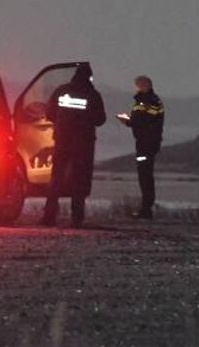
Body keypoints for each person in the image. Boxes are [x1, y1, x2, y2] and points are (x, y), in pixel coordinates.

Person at [40, 64, 106, 228]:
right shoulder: (93, 95)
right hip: (84, 144)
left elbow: (49, 113)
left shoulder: (61, 91)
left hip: (62, 141)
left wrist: (63, 123)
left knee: (56, 179)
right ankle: (77, 218)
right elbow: (100, 119)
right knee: (80, 181)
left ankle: (49, 217)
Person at [116, 75, 165, 218]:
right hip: (145, 143)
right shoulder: (146, 101)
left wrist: (127, 121)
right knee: (144, 175)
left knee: (145, 176)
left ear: (145, 85)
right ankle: (146, 208)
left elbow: (143, 122)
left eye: (139, 85)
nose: (137, 88)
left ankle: (146, 209)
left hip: (146, 144)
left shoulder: (150, 101)